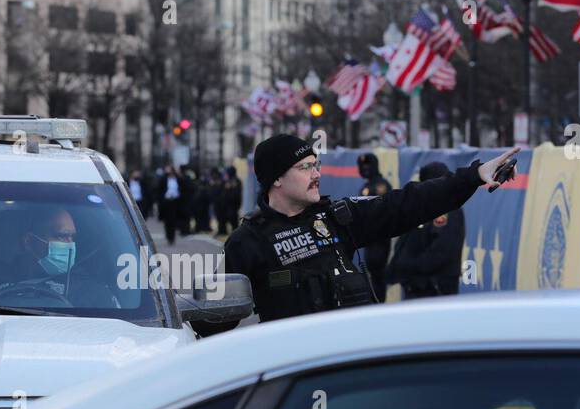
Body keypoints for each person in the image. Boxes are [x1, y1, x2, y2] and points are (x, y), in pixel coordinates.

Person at [195, 134, 516, 333]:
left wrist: (472, 176)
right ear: (275, 180)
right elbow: (215, 318)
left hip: (351, 366)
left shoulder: (338, 218)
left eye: (316, 165)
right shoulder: (248, 241)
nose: (316, 174)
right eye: (305, 168)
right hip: (294, 376)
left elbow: (408, 204)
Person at [386, 160, 468, 299]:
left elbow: (442, 250)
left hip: (435, 287)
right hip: (417, 285)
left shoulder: (449, 209)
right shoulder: (425, 208)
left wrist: (410, 267)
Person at [356, 152, 392, 301]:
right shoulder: (367, 185)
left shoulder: (380, 186)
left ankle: (378, 304)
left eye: (368, 166)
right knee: (372, 274)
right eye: (362, 166)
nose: (365, 169)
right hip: (370, 238)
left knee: (377, 273)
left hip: (379, 238)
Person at [157, 166, 182, 244]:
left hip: (175, 202)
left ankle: (172, 237)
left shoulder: (178, 179)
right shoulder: (164, 179)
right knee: (167, 220)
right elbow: (159, 190)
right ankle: (168, 236)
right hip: (166, 202)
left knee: (174, 220)